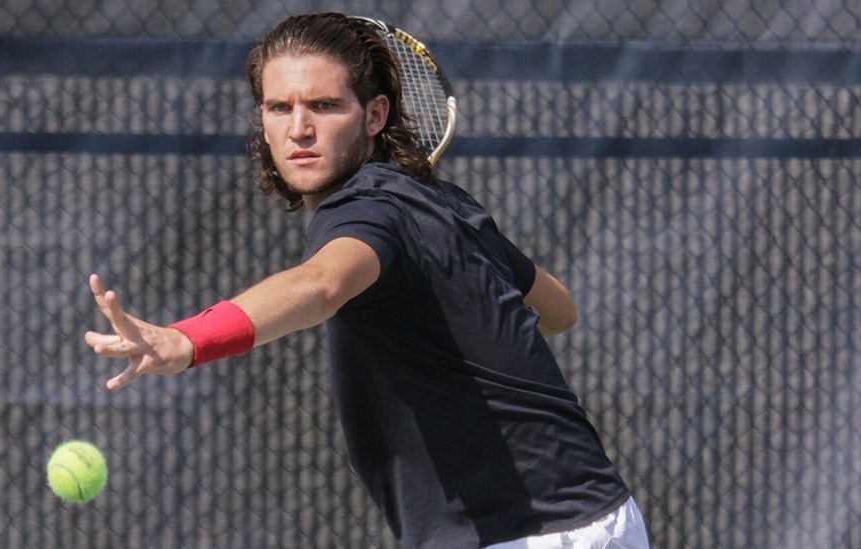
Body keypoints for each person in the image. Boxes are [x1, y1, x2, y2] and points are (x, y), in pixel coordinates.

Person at [84, 12, 650, 549]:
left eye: (325, 106)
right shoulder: (440, 201)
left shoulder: (363, 212)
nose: (299, 128)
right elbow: (559, 310)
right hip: (595, 514)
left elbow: (323, 284)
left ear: (374, 116)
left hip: (527, 532)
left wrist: (188, 340)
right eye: (279, 106)